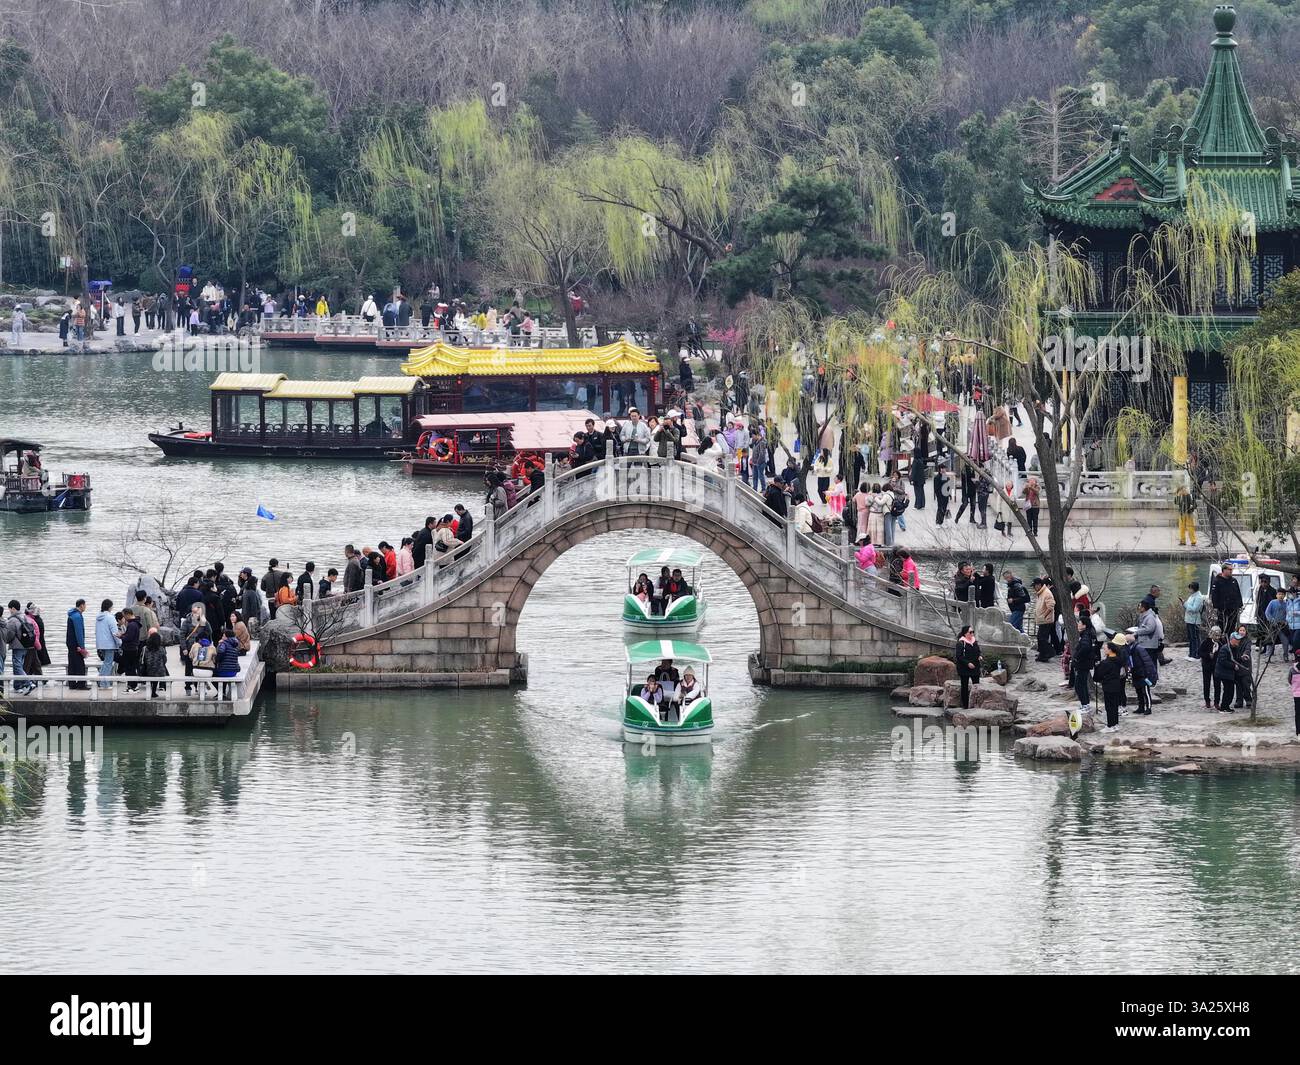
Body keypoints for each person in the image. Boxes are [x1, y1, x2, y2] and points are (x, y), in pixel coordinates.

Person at [1093, 641, 1126, 732]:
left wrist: (1097, 667)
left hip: (1108, 686)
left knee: (1109, 706)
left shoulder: (1106, 663)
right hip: (1117, 684)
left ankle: (1110, 725)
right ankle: (1115, 724)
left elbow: (1097, 677)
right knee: (1115, 705)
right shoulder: (1119, 660)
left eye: (1105, 649)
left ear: (1110, 650)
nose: (1104, 650)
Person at [1071, 616, 1097, 719]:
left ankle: (1085, 705)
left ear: (1084, 625)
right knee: (1081, 684)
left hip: (1083, 664)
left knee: (1079, 685)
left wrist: (1077, 657)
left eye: (1080, 623)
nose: (1078, 624)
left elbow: (1085, 648)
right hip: (1084, 664)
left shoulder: (1086, 636)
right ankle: (1085, 704)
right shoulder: (1087, 634)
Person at [94, 599, 120, 690]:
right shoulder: (110, 617)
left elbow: (96, 631)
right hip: (109, 644)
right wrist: (119, 642)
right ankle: (103, 684)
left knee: (105, 663)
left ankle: (101, 681)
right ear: (109, 607)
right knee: (108, 663)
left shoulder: (98, 617)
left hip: (100, 644)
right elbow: (114, 632)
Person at [1215, 633, 1244, 713]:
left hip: (1229, 673)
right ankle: (1224, 707)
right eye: (1237, 639)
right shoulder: (1225, 648)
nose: (1239, 641)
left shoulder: (1234, 648)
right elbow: (1223, 661)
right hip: (1223, 673)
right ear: (1232, 639)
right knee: (1228, 690)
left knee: (1230, 690)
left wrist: (1241, 659)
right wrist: (1233, 666)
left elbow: (1234, 659)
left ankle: (1226, 706)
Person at [954, 626, 981, 710]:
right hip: (964, 668)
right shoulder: (961, 643)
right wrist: (968, 663)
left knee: (976, 685)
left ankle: (976, 703)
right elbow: (959, 656)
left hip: (975, 666)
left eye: (973, 632)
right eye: (970, 632)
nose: (972, 634)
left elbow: (978, 651)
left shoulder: (974, 641)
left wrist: (979, 656)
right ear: (965, 633)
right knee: (964, 686)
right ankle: (965, 705)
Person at [1211, 563, 1243, 632]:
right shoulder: (1217, 581)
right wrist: (1217, 608)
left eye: (1232, 569)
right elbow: (1214, 596)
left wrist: (1240, 605)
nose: (1231, 571)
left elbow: (1238, 594)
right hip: (1222, 610)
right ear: (1224, 570)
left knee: (1231, 629)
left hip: (1233, 610)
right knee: (1222, 628)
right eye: (1229, 569)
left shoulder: (1234, 581)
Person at [65, 599, 90, 689]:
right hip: (76, 644)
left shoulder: (72, 615)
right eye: (85, 605)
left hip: (70, 642)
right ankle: (81, 684)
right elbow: (79, 633)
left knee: (72, 664)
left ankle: (72, 684)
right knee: (80, 665)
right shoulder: (77, 617)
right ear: (81, 605)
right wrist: (82, 647)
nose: (85, 607)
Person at [140, 629, 169, 698]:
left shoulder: (145, 648)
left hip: (147, 670)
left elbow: (141, 659)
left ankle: (151, 691)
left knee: (151, 673)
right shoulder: (161, 649)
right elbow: (165, 660)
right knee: (159, 671)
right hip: (159, 671)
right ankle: (155, 691)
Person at [1032, 578, 1055, 662]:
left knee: (1042, 638)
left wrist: (1044, 616)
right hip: (1042, 620)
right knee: (1040, 637)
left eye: (1034, 586)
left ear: (1039, 585)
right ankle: (1043, 654)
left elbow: (1051, 606)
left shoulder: (1047, 593)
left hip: (1046, 620)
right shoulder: (1041, 593)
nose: (1033, 588)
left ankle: (1050, 652)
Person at [1182, 581, 1206, 660]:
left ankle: (1196, 655)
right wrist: (1184, 603)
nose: (1189, 590)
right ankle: (1191, 654)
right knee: (1191, 638)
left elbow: (1195, 609)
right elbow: (1189, 607)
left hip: (1194, 620)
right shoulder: (1192, 596)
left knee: (1195, 638)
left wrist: (1185, 604)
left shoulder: (1198, 597)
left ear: (1193, 589)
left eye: (1190, 588)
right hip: (1189, 619)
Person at [1199, 625, 1222, 711]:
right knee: (1206, 683)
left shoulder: (1221, 643)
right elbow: (1200, 652)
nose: (1217, 637)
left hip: (1217, 667)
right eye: (1215, 635)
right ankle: (1207, 700)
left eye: (1218, 635)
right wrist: (1208, 655)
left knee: (1217, 685)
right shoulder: (1206, 642)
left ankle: (1217, 702)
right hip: (1207, 666)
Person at [1289, 649, 1300, 735]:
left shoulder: (1293, 669)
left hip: (1297, 694)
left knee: (1298, 713)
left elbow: (1289, 680)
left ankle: (1298, 731)